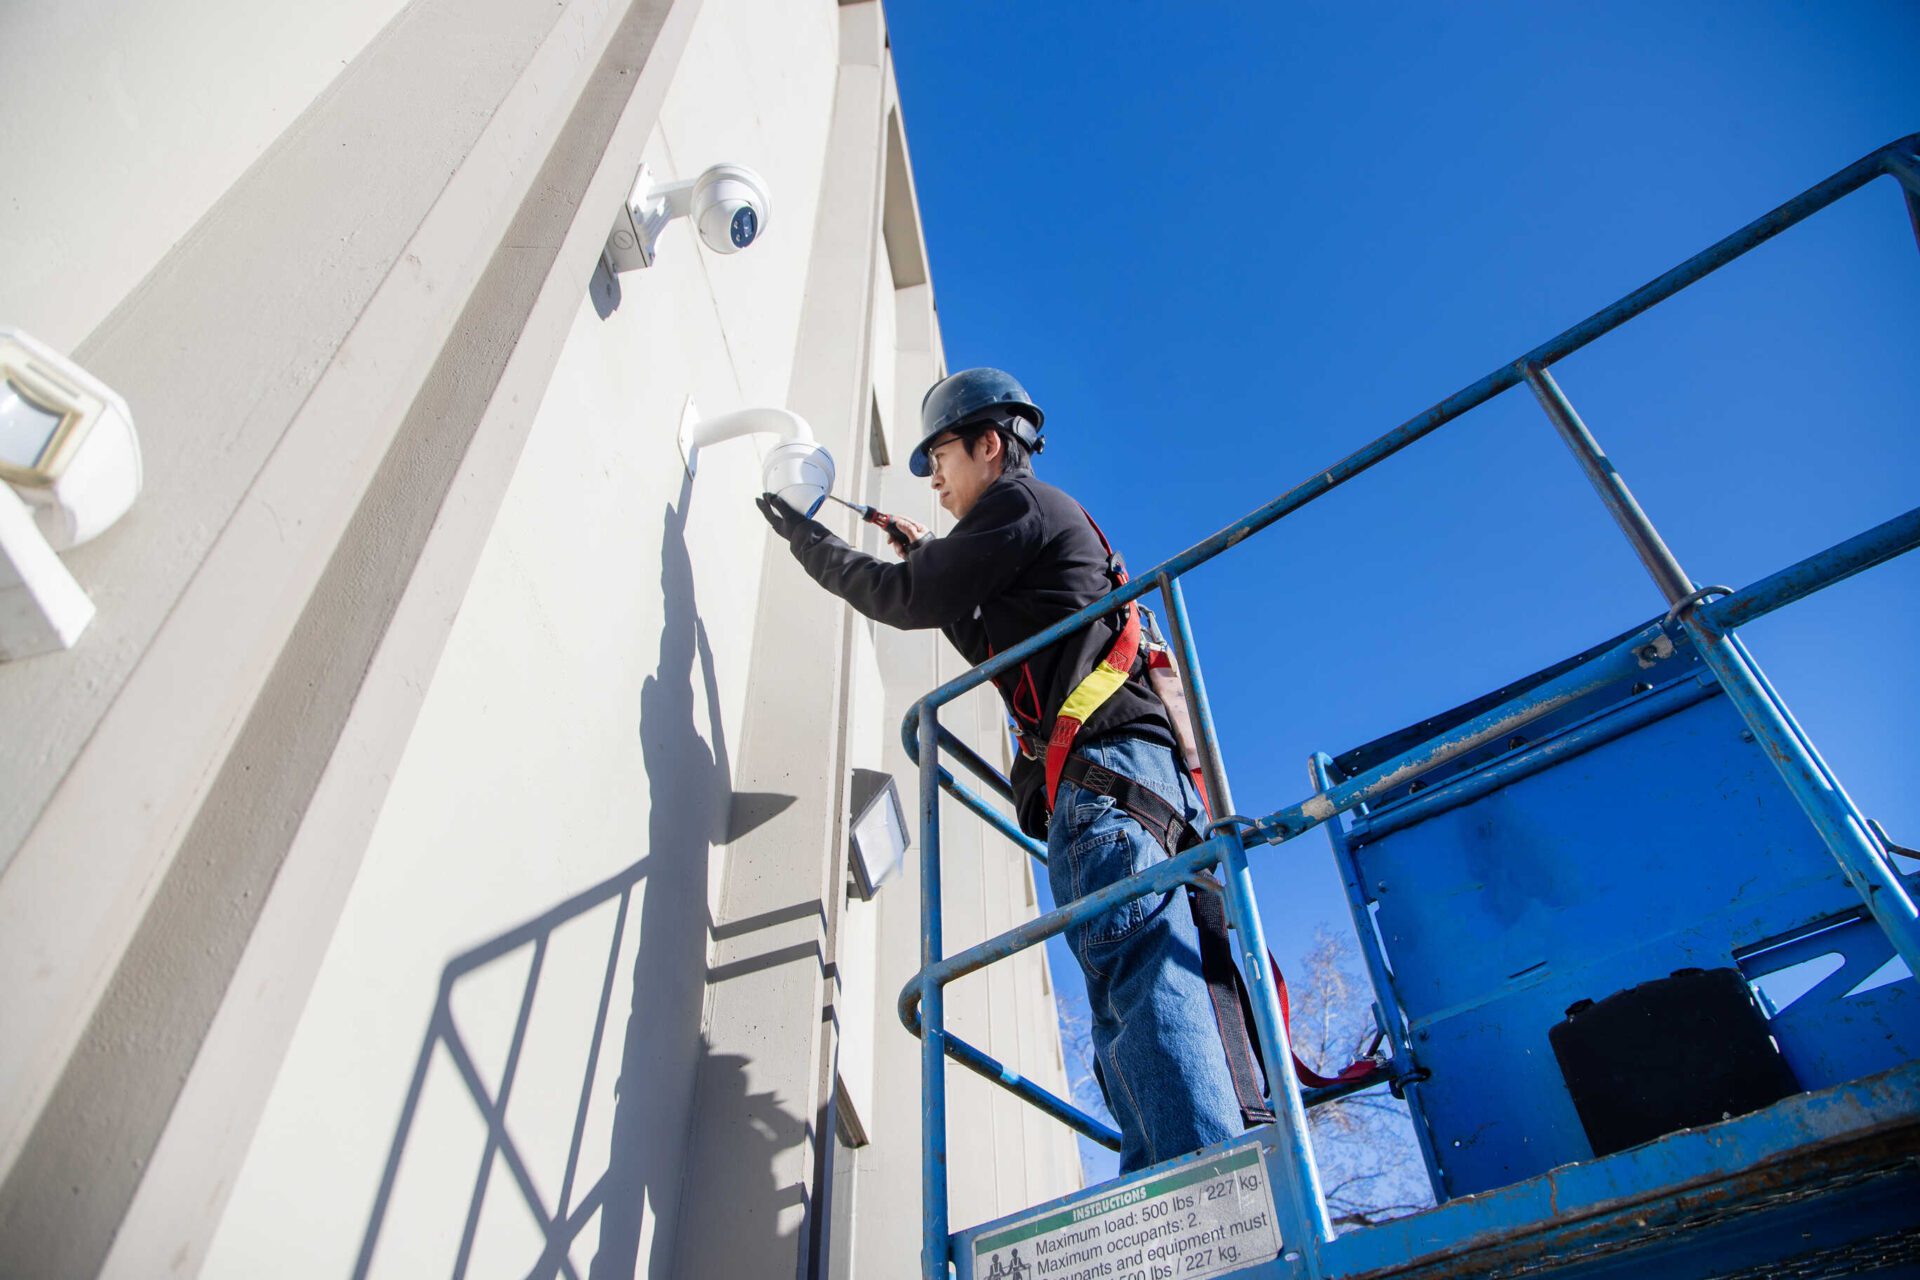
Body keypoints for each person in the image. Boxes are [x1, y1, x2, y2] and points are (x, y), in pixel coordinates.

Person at [755, 368, 1252, 1173]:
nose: (933, 480)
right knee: (1139, 994)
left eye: (938, 458)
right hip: (1136, 792)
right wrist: (932, 563)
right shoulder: (1045, 527)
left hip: (1108, 788)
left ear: (989, 444)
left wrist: (809, 540)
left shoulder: (1020, 502)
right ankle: (1190, 1194)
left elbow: (905, 599)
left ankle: (1205, 1206)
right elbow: (990, 645)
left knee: (1141, 991)